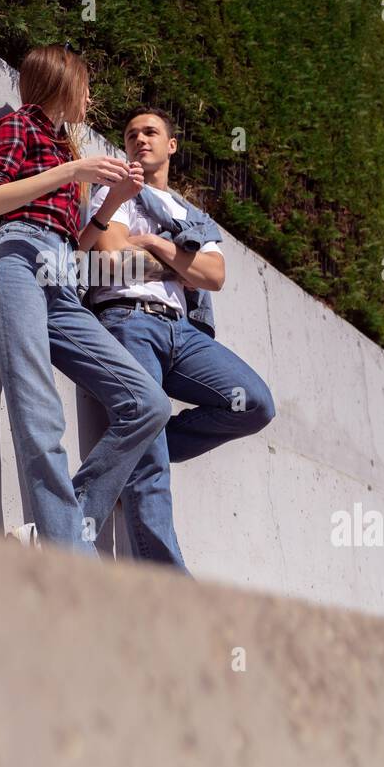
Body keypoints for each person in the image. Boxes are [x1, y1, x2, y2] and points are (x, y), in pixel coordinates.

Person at [0, 45, 171, 556]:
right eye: (85, 85)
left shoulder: (65, 150)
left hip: (61, 275)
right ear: (63, 83)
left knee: (148, 403)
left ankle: (63, 531)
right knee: (41, 414)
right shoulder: (21, 127)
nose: (90, 97)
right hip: (15, 258)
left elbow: (80, 245)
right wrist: (74, 174)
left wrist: (115, 201)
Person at [86, 106, 276, 572]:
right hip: (127, 319)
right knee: (150, 467)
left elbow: (213, 276)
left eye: (150, 132)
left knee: (253, 403)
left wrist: (150, 243)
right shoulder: (110, 193)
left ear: (171, 145)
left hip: (183, 331)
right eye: (130, 134)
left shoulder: (192, 214)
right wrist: (178, 264)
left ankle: (132, 453)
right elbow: (109, 261)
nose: (139, 139)